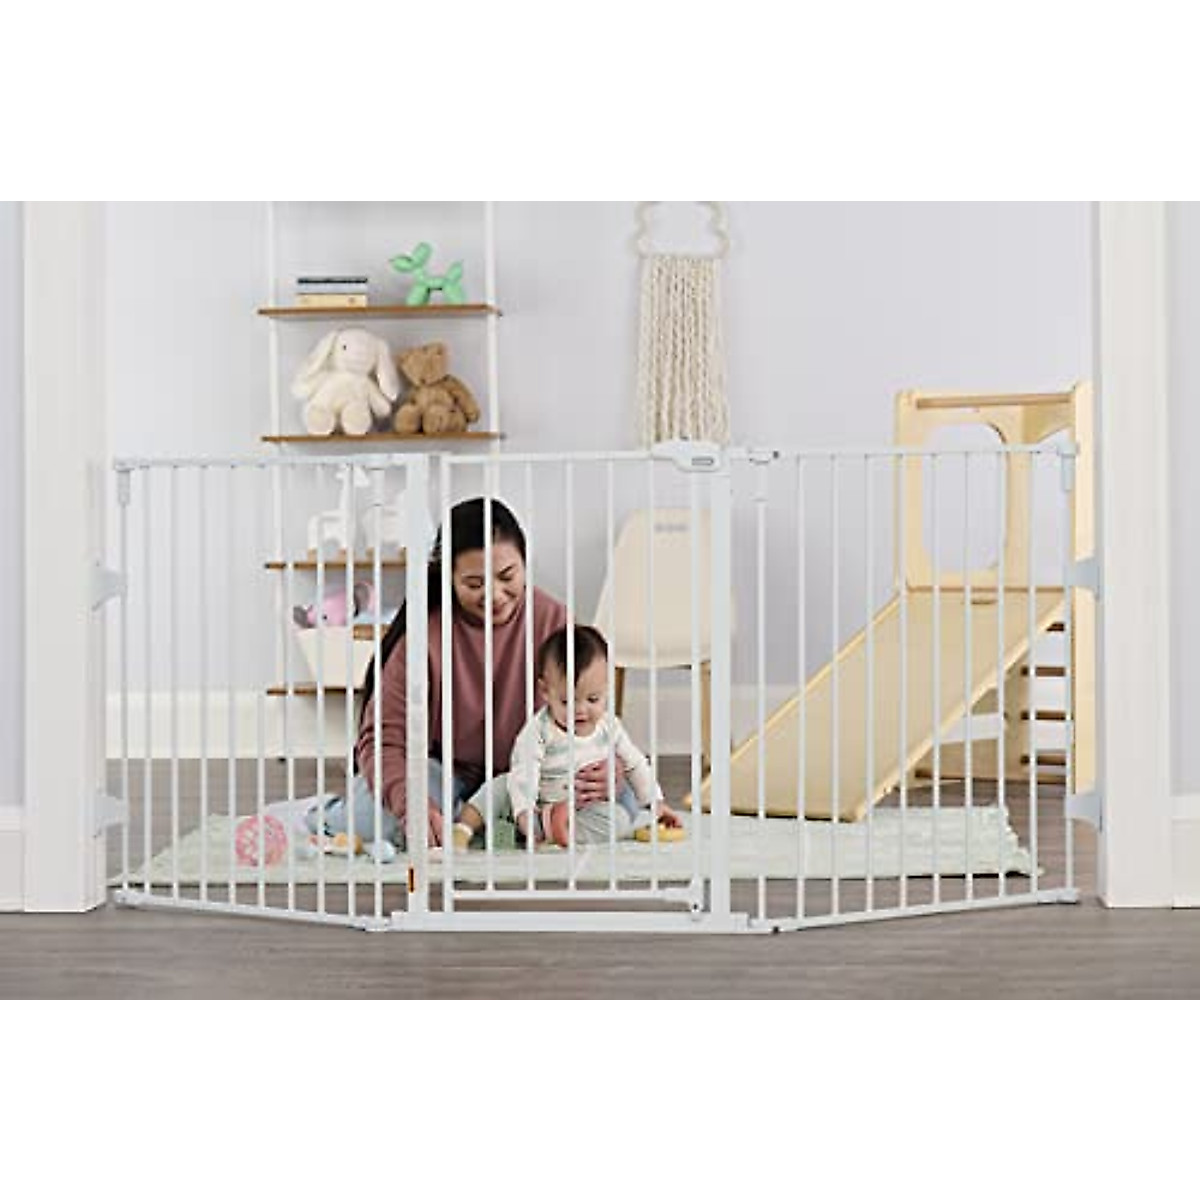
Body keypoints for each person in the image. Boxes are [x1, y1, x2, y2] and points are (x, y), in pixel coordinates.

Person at [306, 497, 617, 852]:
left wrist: (605, 770)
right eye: (474, 583)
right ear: (449, 578)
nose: (495, 595)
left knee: (616, 800)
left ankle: (474, 822)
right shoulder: (425, 634)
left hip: (532, 773)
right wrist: (411, 804)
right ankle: (336, 813)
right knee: (372, 821)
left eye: (507, 576)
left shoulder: (554, 622)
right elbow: (385, 739)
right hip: (442, 772)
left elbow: (593, 715)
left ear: (524, 563)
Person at [503, 624, 683, 848]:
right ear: (545, 691)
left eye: (593, 699)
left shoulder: (609, 727)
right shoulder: (539, 730)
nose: (580, 710)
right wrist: (525, 813)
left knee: (619, 818)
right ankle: (529, 824)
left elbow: (635, 764)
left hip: (586, 808)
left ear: (606, 689)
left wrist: (656, 803)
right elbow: (525, 772)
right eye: (567, 702)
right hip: (541, 802)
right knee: (501, 788)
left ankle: (554, 828)